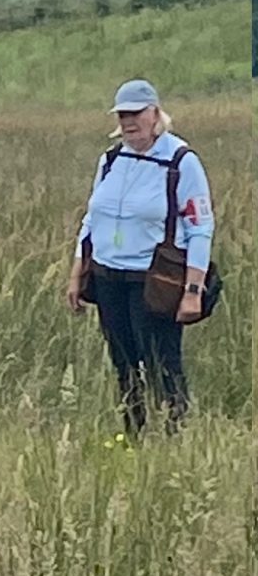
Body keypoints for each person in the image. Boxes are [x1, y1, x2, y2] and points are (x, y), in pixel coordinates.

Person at [67, 79, 215, 435]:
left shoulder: (181, 161)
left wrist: (193, 291)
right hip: (107, 278)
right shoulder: (112, 159)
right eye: (123, 114)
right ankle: (134, 431)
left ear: (155, 114)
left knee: (162, 362)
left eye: (137, 113)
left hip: (154, 280)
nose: (129, 122)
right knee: (123, 362)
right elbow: (92, 217)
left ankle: (173, 434)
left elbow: (200, 228)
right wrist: (77, 271)